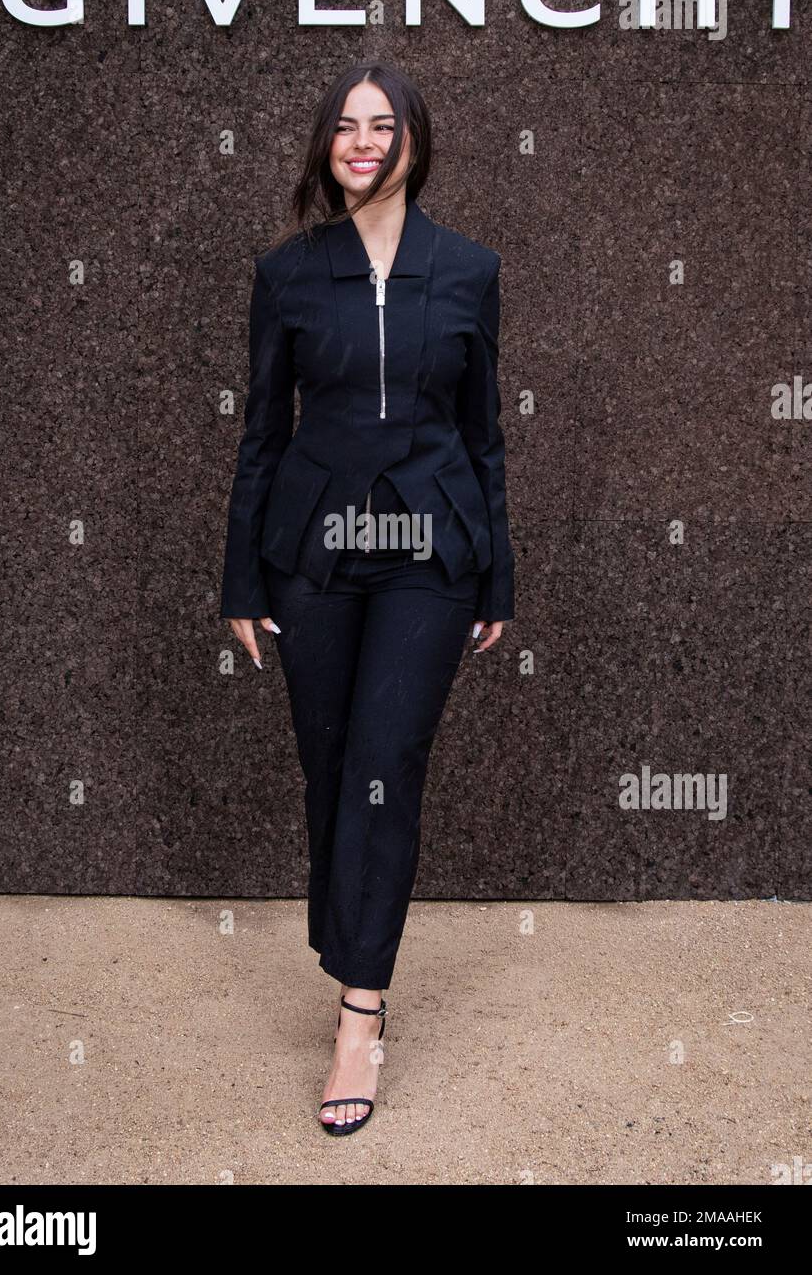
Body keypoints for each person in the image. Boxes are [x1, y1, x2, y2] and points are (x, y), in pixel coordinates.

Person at [220, 59, 515, 1135]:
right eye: (342, 125)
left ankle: (360, 1011)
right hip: (314, 549)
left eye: (380, 124)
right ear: (325, 145)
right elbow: (260, 434)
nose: (359, 140)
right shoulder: (288, 273)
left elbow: (485, 433)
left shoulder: (469, 269)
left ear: (414, 141)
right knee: (333, 759)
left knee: (387, 762)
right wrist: (241, 579)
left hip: (430, 553)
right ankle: (345, 938)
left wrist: (500, 572)